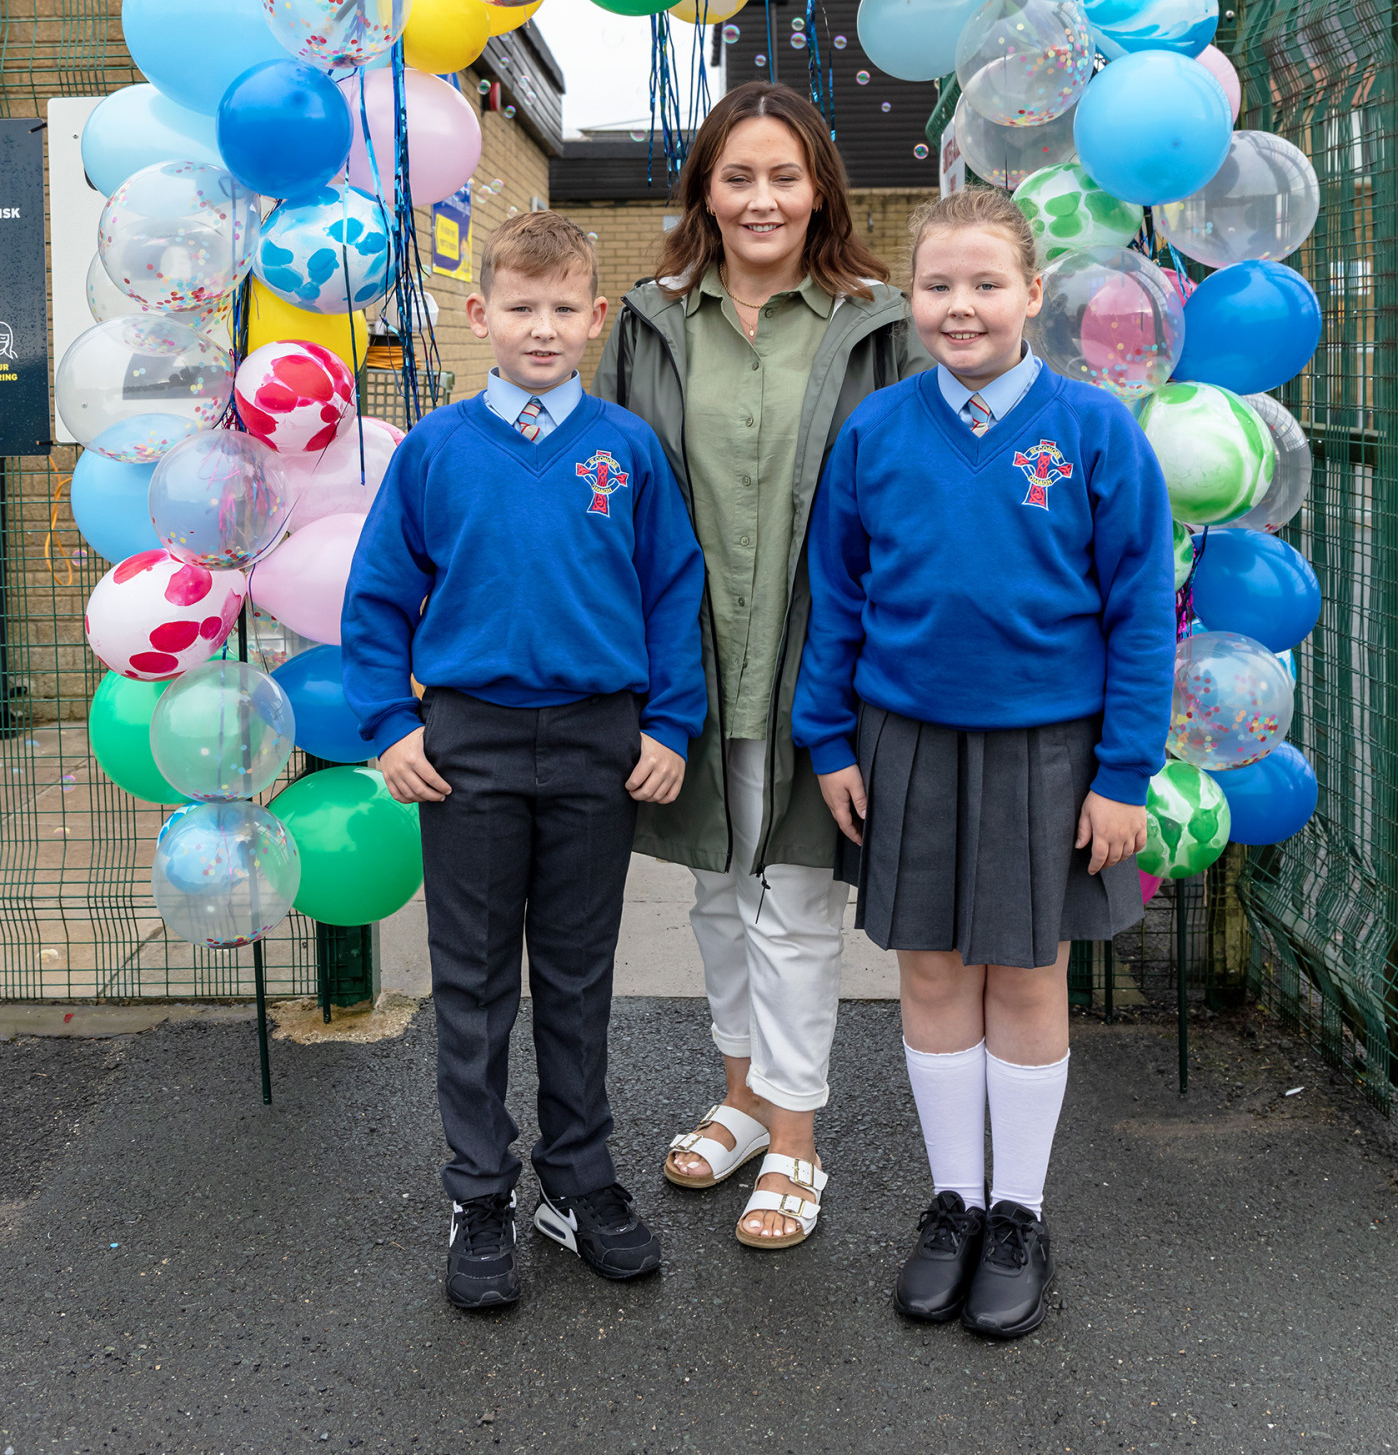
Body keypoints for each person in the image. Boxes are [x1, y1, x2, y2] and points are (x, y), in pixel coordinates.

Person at [793, 184, 1174, 1336]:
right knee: (929, 974)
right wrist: (827, 738)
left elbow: (1141, 614)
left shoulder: (1095, 429)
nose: (961, 307)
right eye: (938, 285)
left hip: (1047, 749)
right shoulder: (875, 432)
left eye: (986, 284)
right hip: (904, 739)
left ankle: (1020, 1211)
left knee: (1027, 975)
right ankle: (954, 1202)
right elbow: (836, 599)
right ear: (909, 298)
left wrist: (1123, 773)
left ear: (1033, 293)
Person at [341, 212, 707, 1311]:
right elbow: (378, 595)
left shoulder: (626, 449)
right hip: (470, 747)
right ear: (480, 314)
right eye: (520, 307)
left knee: (578, 978)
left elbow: (671, 590)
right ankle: (479, 1193)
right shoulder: (435, 450)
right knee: (474, 981)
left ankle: (578, 1181)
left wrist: (670, 723)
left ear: (595, 318)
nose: (541, 328)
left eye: (562, 308)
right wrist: (388, 724)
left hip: (600, 742)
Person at [593, 80, 930, 1249]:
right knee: (718, 892)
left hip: (815, 663)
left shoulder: (876, 325)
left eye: (785, 175)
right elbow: (614, 495)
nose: (762, 198)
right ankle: (740, 1098)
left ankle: (796, 1141)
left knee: (793, 900)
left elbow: (906, 506)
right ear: (704, 190)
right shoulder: (650, 319)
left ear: (821, 189)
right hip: (690, 662)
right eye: (737, 176)